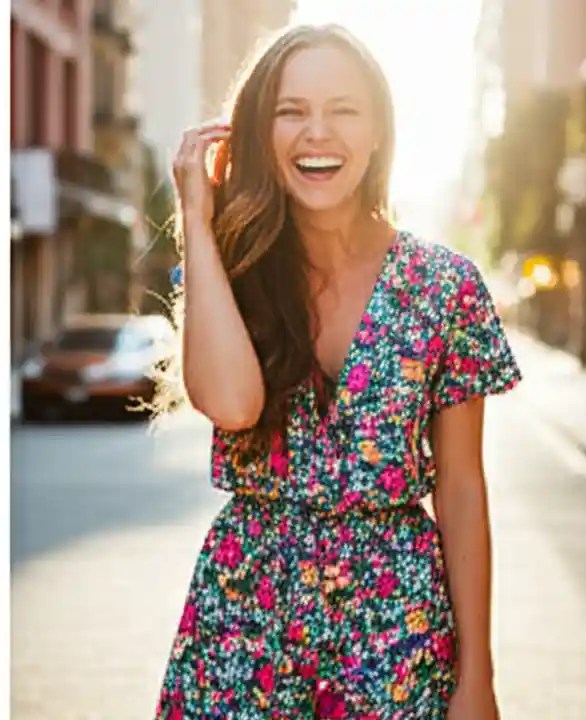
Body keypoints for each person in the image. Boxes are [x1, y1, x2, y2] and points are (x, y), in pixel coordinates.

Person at [149, 24, 520, 719]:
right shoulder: (234, 272)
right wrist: (197, 219)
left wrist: (478, 675)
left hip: (396, 622)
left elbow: (462, 488)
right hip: (245, 616)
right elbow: (232, 405)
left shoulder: (446, 287)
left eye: (343, 109)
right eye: (290, 111)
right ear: (258, 135)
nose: (317, 133)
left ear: (379, 131)